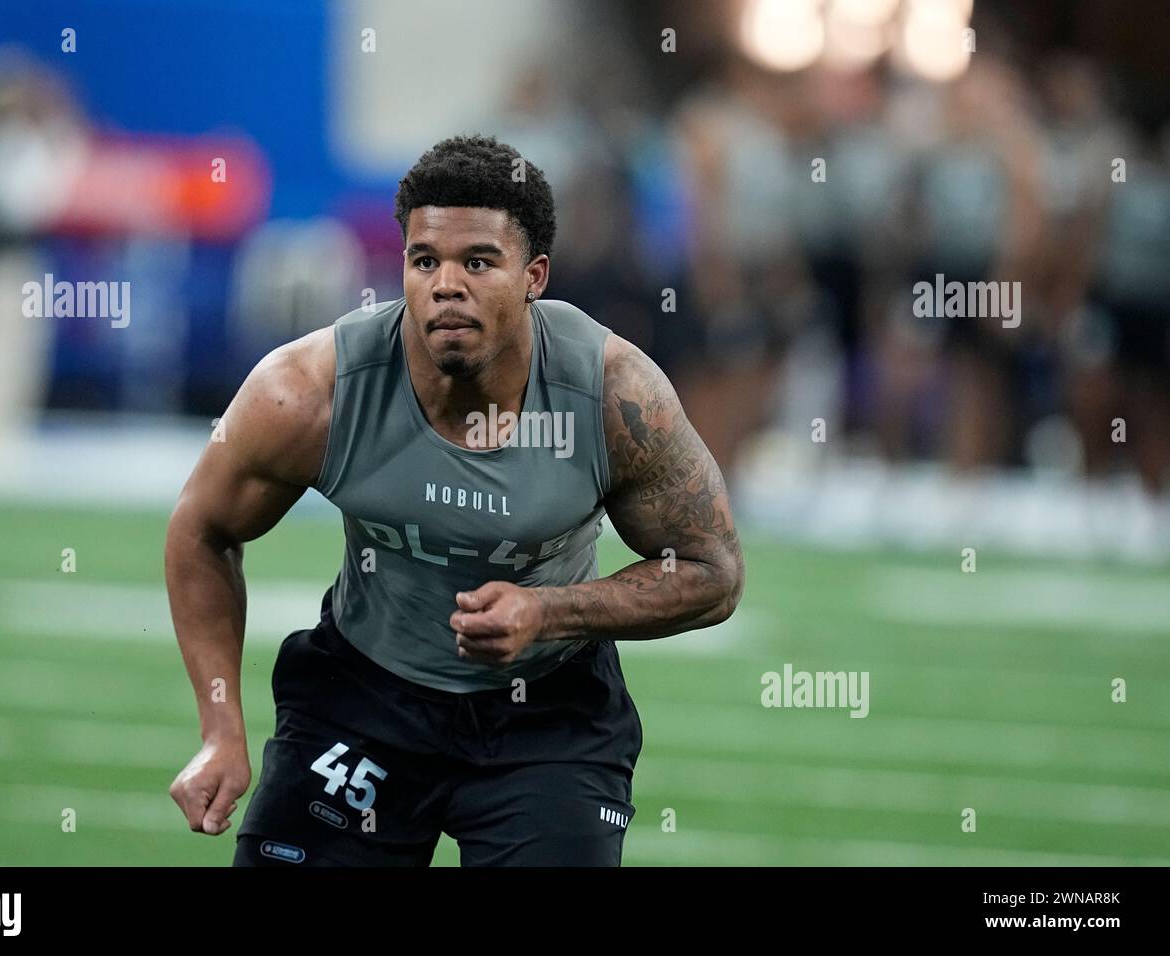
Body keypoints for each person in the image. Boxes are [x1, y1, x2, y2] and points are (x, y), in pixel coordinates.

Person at [164, 134, 744, 866]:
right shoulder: (309, 391)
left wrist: (548, 612)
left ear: (534, 276)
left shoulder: (613, 394)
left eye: (477, 262)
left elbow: (712, 571)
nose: (445, 285)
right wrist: (220, 729)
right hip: (363, 698)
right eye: (424, 260)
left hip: (547, 712)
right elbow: (202, 528)